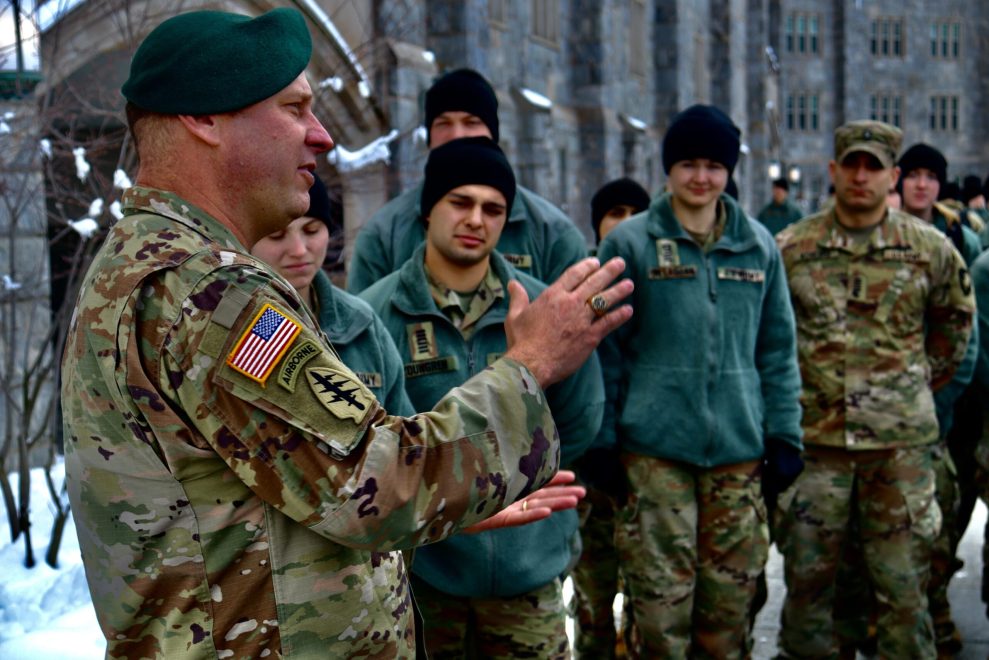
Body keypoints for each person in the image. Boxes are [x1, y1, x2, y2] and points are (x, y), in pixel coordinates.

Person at [59, 9, 633, 658]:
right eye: (295, 108)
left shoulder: (148, 262)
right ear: (203, 117)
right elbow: (377, 484)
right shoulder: (206, 291)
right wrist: (531, 362)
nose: (323, 137)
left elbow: (287, 498)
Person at [360, 136, 603, 658]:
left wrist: (525, 472)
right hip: (425, 577)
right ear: (429, 210)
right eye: (460, 202)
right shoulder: (376, 314)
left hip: (527, 570)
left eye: (493, 208)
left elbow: (581, 420)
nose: (476, 219)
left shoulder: (545, 309)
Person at [596, 104, 804, 658]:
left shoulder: (758, 246)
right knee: (660, 617)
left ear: (729, 171)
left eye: (714, 164)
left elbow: (778, 350)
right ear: (668, 168)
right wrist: (604, 440)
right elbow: (605, 352)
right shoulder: (630, 245)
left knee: (728, 615)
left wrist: (785, 436)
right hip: (654, 458)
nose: (702, 177)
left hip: (738, 459)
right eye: (688, 162)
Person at [775, 120, 975, 659]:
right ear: (834, 171)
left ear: (893, 176)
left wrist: (907, 386)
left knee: (904, 591)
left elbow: (956, 327)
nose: (862, 177)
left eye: (875, 166)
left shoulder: (929, 250)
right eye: (852, 165)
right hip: (816, 450)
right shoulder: (792, 248)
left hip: (899, 453)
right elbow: (768, 339)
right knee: (810, 593)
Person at [346, 68, 588, 293]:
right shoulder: (385, 234)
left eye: (471, 123)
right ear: (429, 137)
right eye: (444, 124)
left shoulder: (553, 235)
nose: (457, 135)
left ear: (493, 135)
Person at [252, 174, 414, 416]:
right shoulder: (237, 319)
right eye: (277, 234)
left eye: (312, 230)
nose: (298, 250)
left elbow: (402, 429)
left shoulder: (361, 323)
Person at [572, 175, 650, 660]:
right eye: (614, 213)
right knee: (594, 592)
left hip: (647, 461)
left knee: (648, 590)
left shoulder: (660, 287)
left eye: (633, 214)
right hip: (593, 468)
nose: (623, 224)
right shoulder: (583, 286)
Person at [590, 177, 651, 245]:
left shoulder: (662, 254)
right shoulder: (578, 254)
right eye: (616, 214)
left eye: (637, 215)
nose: (627, 221)